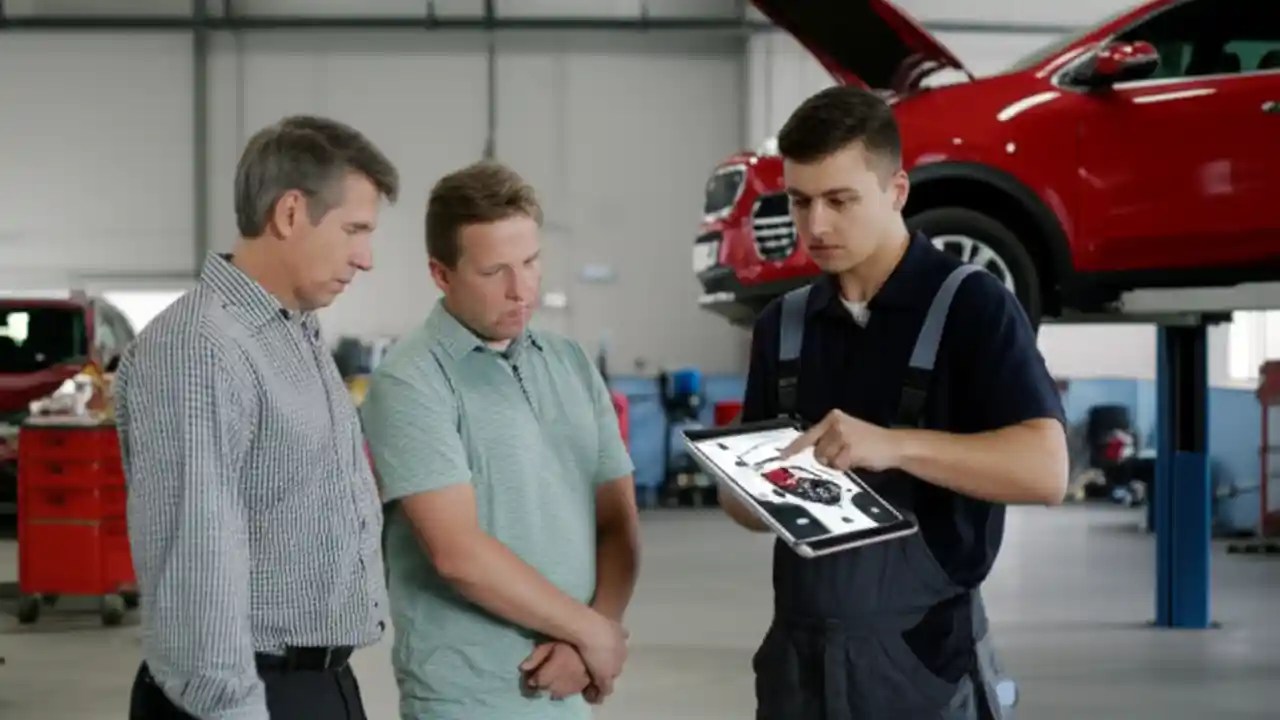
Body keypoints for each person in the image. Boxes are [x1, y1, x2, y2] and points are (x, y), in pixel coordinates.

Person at [720, 86, 1069, 719]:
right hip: (800, 668)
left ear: (897, 191)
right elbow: (746, 507)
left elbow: (1046, 471)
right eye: (799, 202)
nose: (815, 225)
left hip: (923, 668)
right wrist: (743, 487)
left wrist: (894, 444)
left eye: (839, 200)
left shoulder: (973, 306)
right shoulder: (783, 325)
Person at [116, 115, 400, 720]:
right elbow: (197, 572)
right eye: (354, 229)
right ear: (291, 213)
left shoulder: (294, 332)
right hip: (244, 695)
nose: (366, 257)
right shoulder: (200, 349)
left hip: (318, 684)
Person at [359, 160, 641, 720]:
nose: (522, 290)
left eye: (531, 262)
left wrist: (592, 637)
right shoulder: (410, 382)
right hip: (469, 695)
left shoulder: (570, 363)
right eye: (494, 272)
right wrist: (592, 632)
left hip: (569, 682)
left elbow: (617, 521)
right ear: (442, 274)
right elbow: (457, 554)